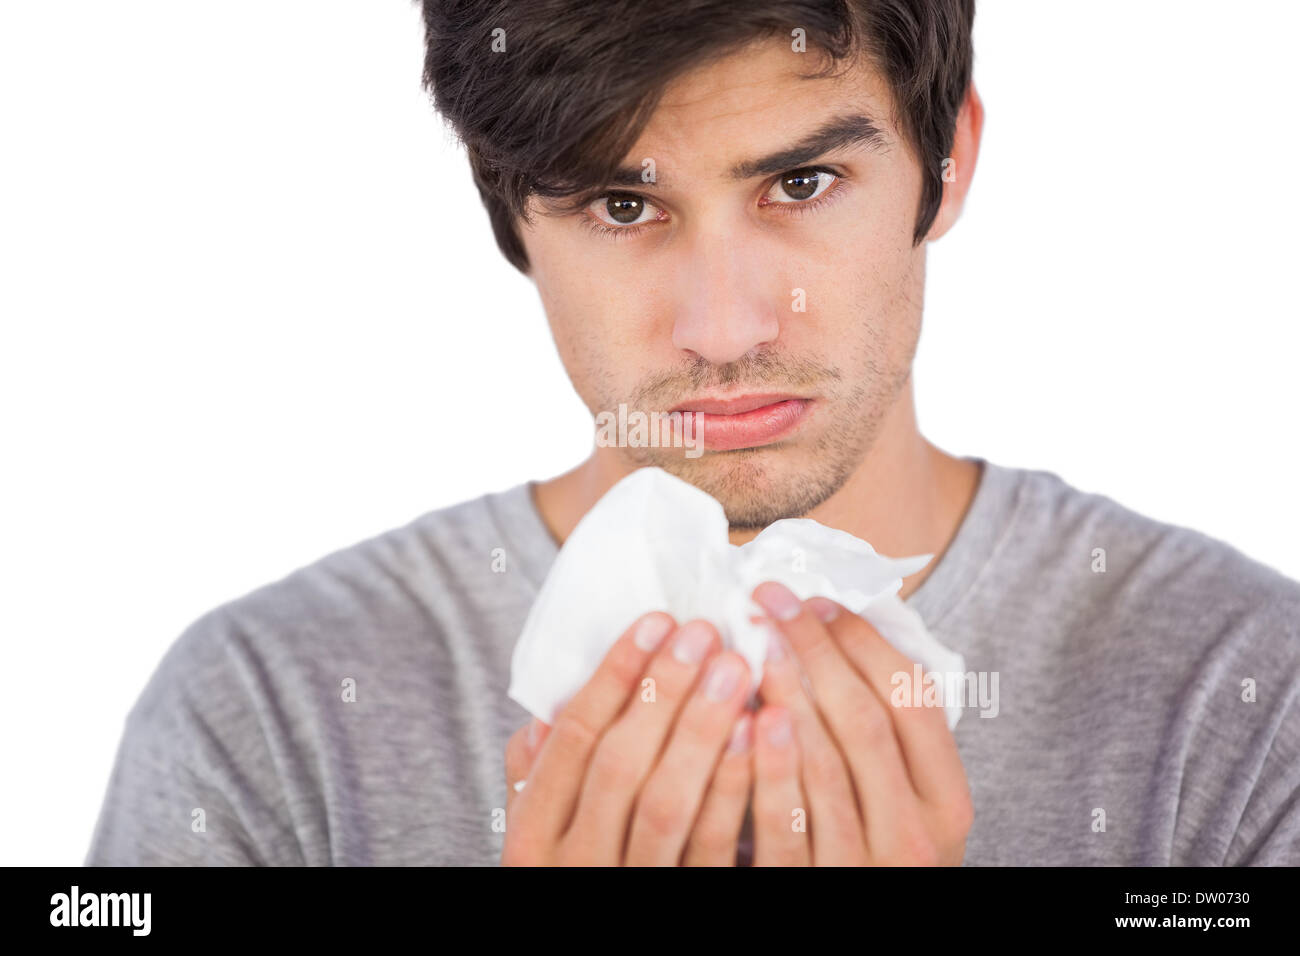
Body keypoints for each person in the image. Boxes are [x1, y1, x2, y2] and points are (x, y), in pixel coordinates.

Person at [86, 0, 1300, 866]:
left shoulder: (1241, 704)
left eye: (801, 183)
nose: (722, 328)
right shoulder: (264, 718)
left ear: (947, 159)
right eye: (624, 204)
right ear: (508, 213)